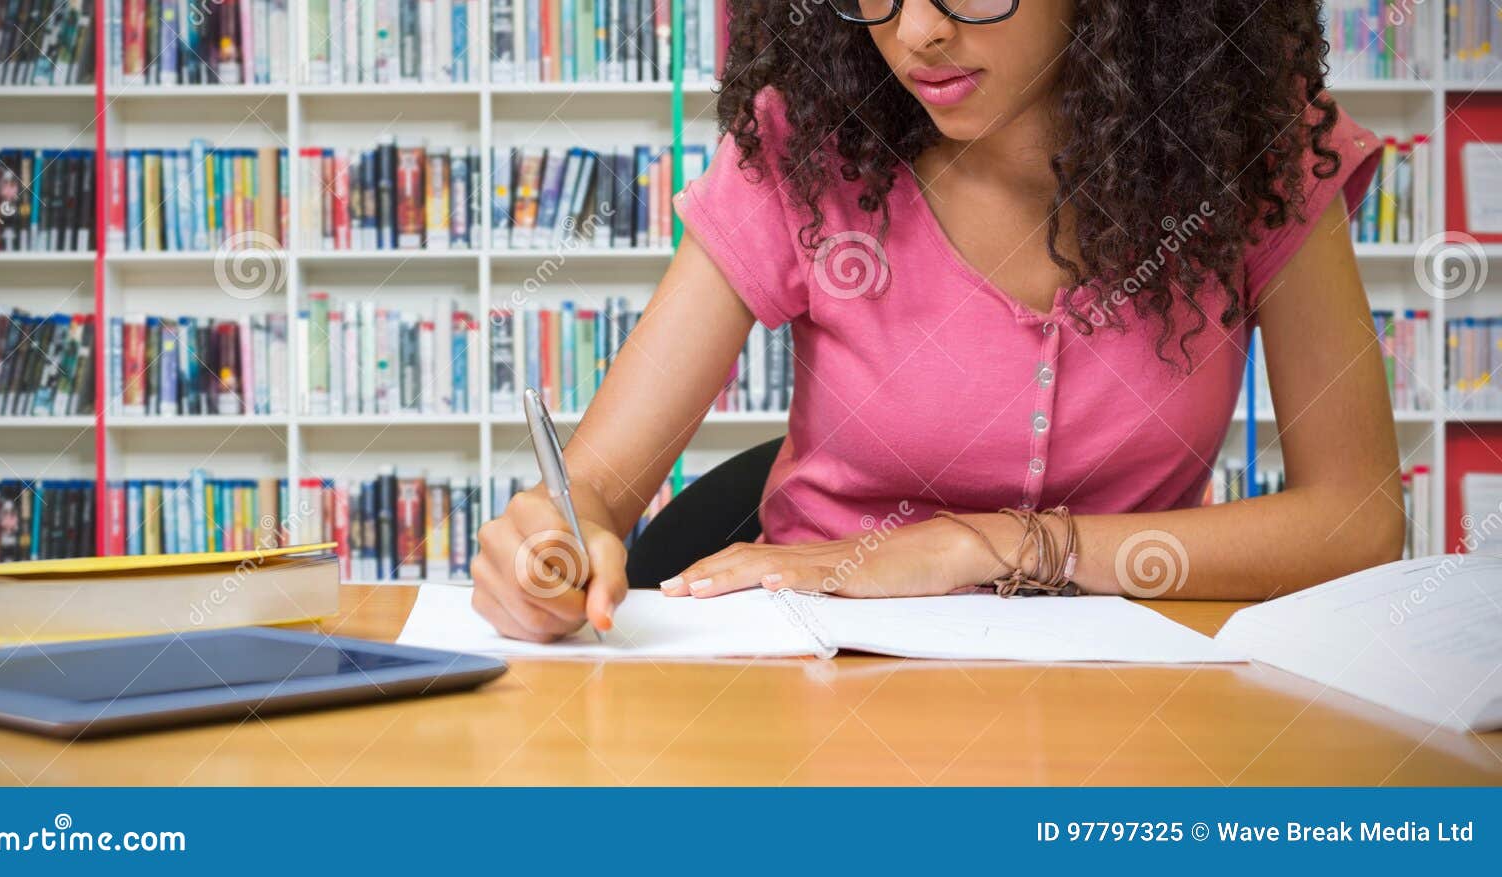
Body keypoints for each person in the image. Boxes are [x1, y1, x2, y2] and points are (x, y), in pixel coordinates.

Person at [472, 0, 1405, 642]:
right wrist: (552, 541)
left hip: (1130, 704)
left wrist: (981, 544)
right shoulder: (807, 149)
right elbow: (592, 481)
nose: (916, 30)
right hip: (814, 689)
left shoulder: (1255, 148)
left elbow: (1358, 521)